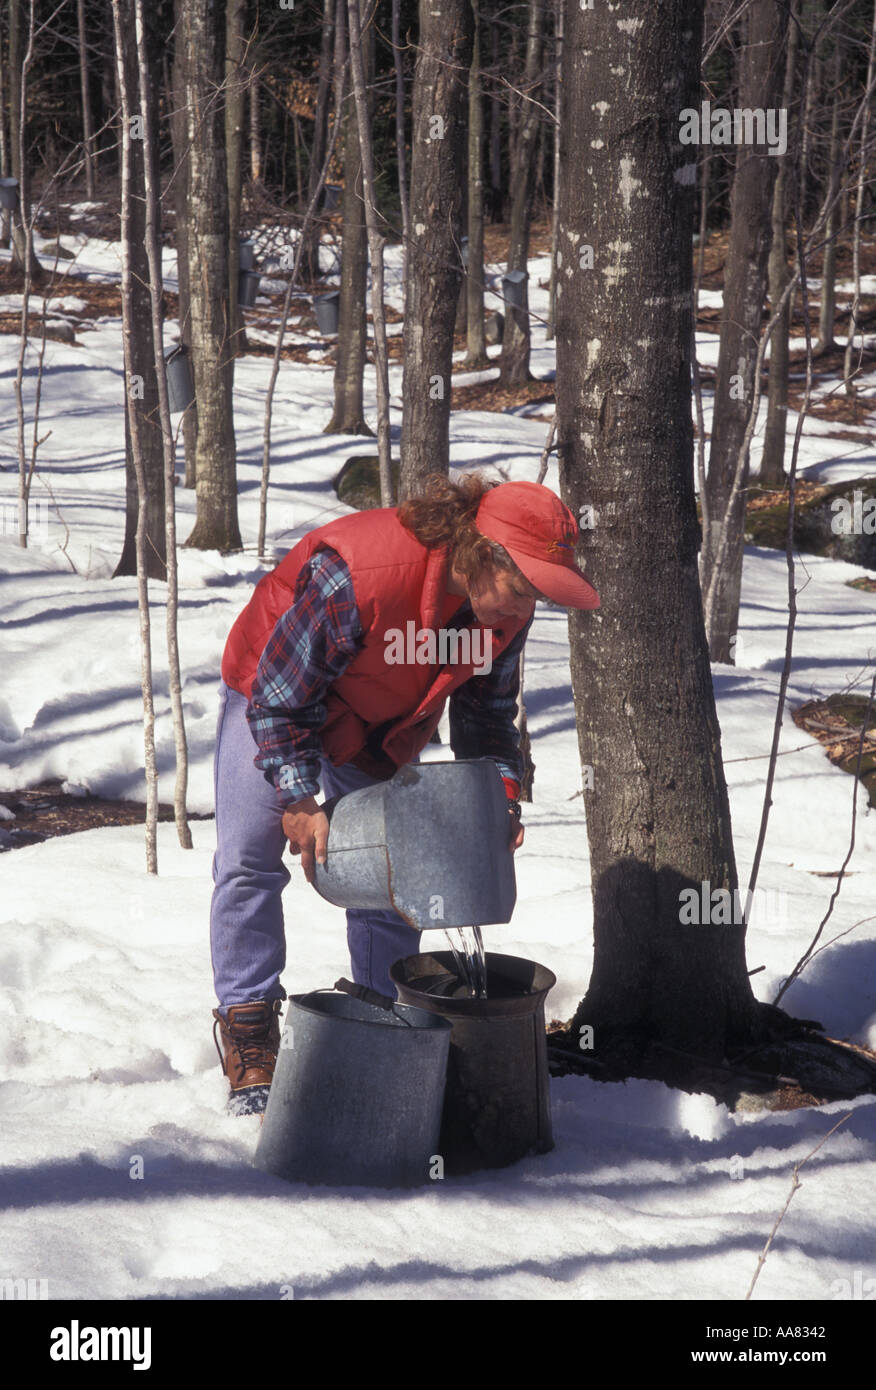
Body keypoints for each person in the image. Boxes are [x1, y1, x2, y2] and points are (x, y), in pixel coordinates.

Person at [210, 473, 600, 1114]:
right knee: (249, 861)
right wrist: (301, 799)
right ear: (483, 551)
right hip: (271, 697)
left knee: (394, 870)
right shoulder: (358, 574)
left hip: (376, 724)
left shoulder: (503, 613)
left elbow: (487, 716)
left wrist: (498, 801)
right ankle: (249, 1029)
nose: (525, 607)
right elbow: (282, 700)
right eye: (523, 586)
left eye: (538, 593)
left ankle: (383, 1025)